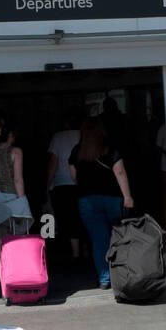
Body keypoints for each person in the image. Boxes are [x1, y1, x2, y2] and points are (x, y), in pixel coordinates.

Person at [69, 116, 133, 288]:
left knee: (99, 240)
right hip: (113, 199)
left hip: (88, 201)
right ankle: (124, 275)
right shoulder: (109, 148)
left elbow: (74, 177)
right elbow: (120, 172)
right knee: (119, 237)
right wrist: (127, 197)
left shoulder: (77, 151)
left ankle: (105, 279)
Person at [46, 108, 84, 262]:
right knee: (82, 216)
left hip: (62, 183)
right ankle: (85, 249)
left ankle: (74, 252)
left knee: (67, 217)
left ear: (66, 123)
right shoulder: (84, 134)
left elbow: (53, 163)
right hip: (82, 183)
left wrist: (47, 185)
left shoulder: (58, 137)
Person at [0, 116, 26, 246]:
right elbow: (18, 179)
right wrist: (22, 201)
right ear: (10, 135)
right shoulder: (16, 152)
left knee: (0, 238)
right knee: (17, 236)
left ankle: (2, 260)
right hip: (13, 199)